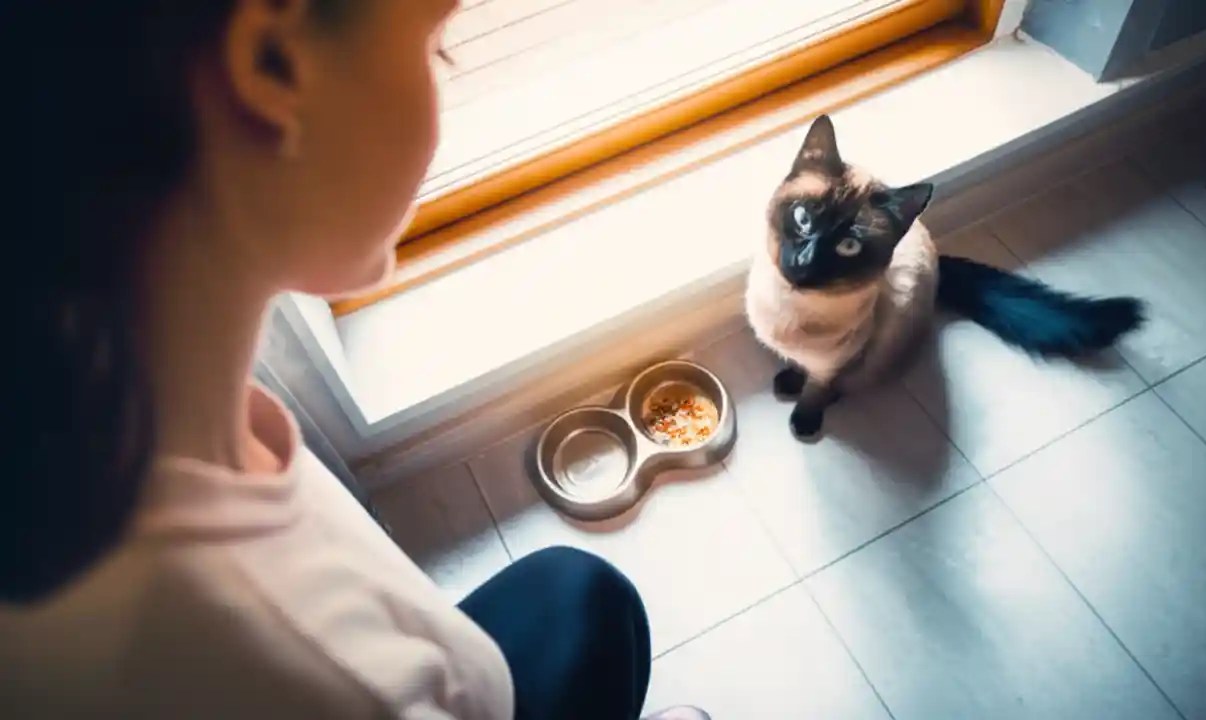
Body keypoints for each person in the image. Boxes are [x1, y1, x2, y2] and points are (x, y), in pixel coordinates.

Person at [0, 2, 707, 718]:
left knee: (580, 595)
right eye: (437, 46)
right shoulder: (343, 684)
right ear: (272, 65)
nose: (442, 88)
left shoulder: (89, 366)